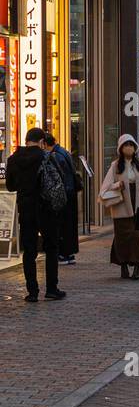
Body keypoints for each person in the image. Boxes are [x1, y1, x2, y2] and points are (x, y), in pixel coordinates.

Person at [5, 128, 65, 302]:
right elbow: (57, 181)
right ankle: (52, 289)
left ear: (26, 140)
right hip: (46, 208)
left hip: (26, 208)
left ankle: (32, 292)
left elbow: (10, 186)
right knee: (51, 247)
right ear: (41, 141)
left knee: (29, 250)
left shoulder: (13, 159)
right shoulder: (46, 157)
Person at [98, 134, 139, 280]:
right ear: (120, 148)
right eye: (126, 145)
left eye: (131, 145)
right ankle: (123, 265)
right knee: (121, 237)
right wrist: (118, 185)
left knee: (136, 236)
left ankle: (138, 266)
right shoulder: (115, 165)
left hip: (138, 205)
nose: (129, 148)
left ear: (135, 148)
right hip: (121, 206)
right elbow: (106, 187)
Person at [44, 133, 80, 266]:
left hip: (64, 193)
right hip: (70, 192)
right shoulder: (63, 151)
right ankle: (69, 253)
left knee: (62, 224)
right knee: (69, 224)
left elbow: (58, 178)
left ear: (45, 144)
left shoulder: (55, 156)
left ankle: (63, 254)